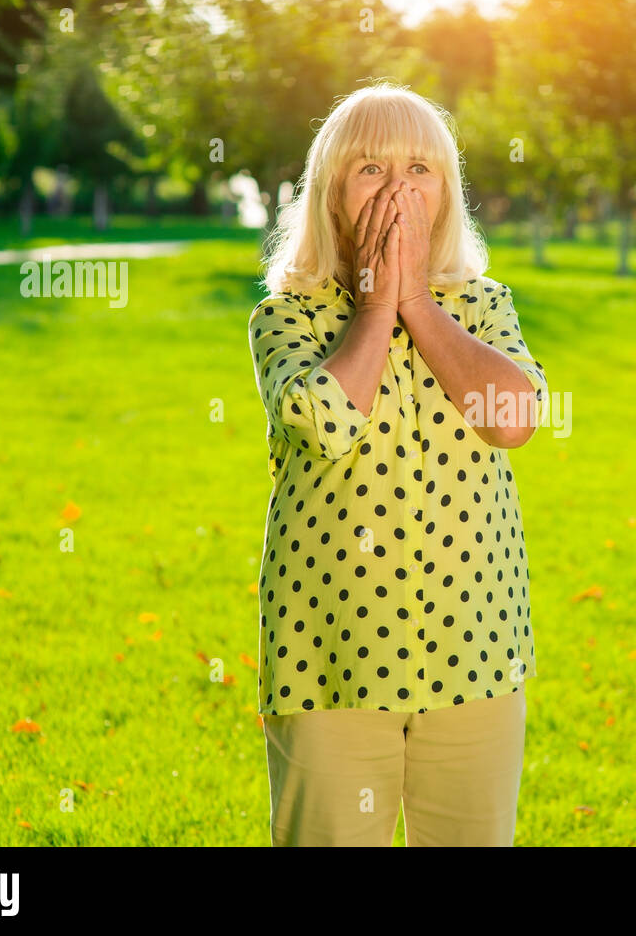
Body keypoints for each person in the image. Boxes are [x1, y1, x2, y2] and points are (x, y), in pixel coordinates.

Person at [248, 81, 549, 846]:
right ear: (330, 197)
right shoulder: (288, 316)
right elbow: (326, 419)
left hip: (474, 649)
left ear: (446, 194)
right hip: (330, 655)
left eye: (420, 169)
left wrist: (418, 301)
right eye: (370, 170)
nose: (397, 188)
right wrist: (379, 306)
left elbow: (513, 420)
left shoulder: (483, 305)